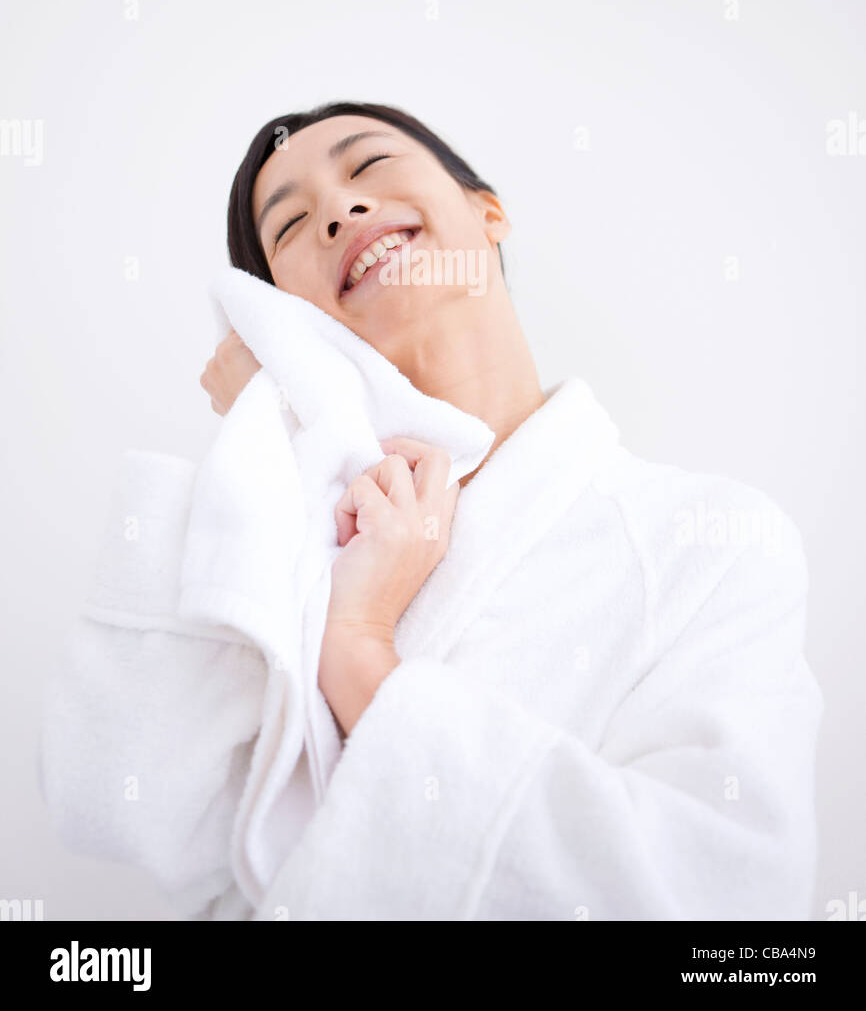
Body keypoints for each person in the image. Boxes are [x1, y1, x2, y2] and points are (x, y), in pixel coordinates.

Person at [41, 101, 823, 921]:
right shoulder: (279, 537)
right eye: (293, 224)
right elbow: (132, 809)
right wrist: (269, 438)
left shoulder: (711, 543)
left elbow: (731, 903)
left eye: (368, 166)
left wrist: (359, 652)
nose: (339, 211)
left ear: (488, 211)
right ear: (290, 318)